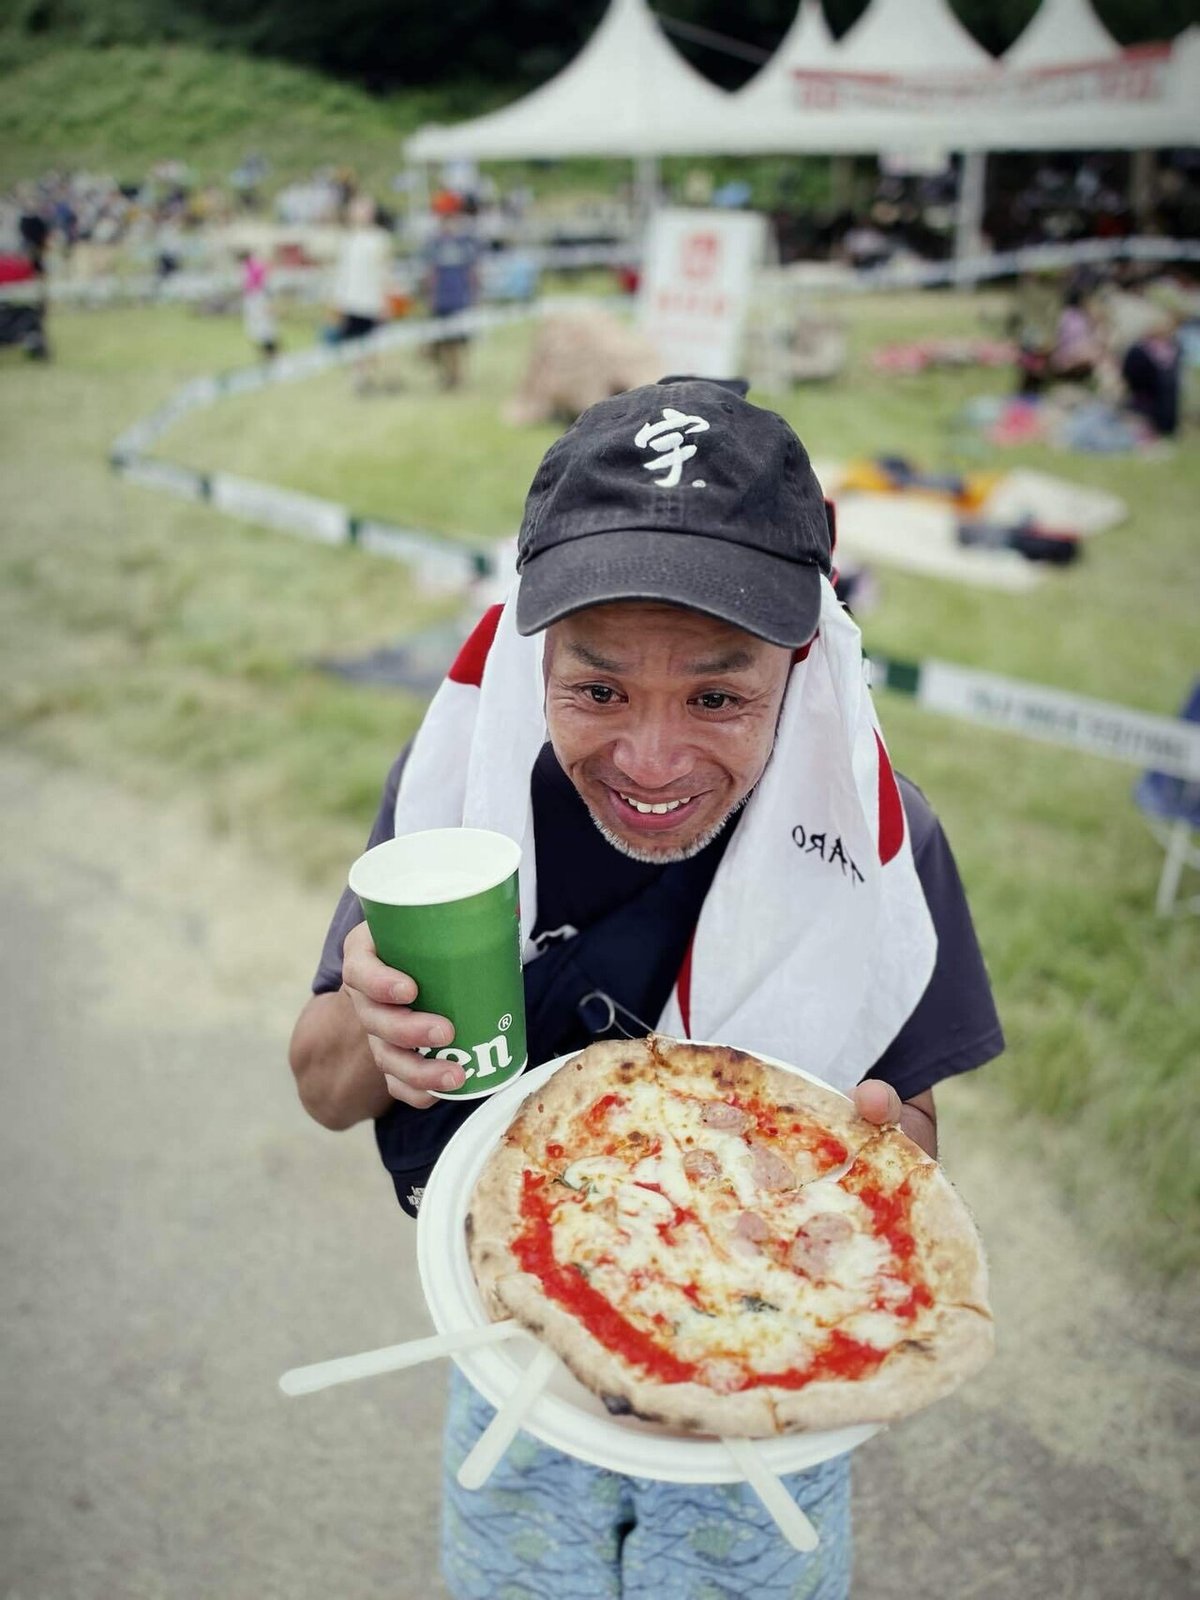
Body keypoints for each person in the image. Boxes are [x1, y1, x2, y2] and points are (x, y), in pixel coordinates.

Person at [288, 376, 1005, 1600]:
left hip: (771, 1391)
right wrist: (376, 1022)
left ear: (801, 664)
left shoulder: (878, 841)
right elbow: (321, 1087)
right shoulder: (465, 799)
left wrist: (868, 1162)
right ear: (535, 653)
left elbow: (909, 1143)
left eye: (718, 695)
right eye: (598, 688)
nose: (654, 760)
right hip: (518, 1355)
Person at [422, 191, 480, 390]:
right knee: (444, 341)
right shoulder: (434, 242)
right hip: (442, 299)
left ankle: (459, 375)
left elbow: (472, 271)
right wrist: (430, 296)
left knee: (460, 341)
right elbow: (430, 272)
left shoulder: (465, 241)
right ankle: (448, 375)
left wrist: (474, 294)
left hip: (460, 298)